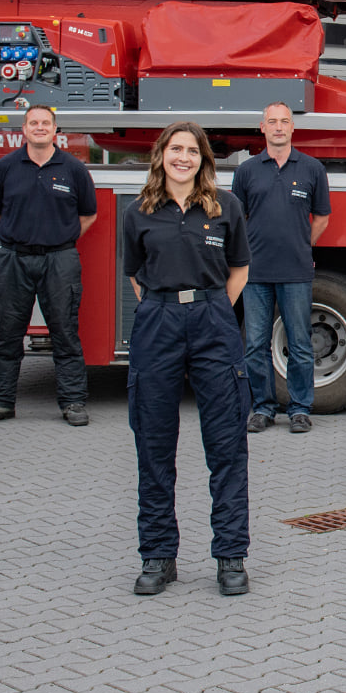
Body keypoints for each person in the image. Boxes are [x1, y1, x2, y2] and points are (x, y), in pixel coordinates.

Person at [120, 122, 252, 597]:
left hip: (213, 321)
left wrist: (210, 307)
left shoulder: (225, 207)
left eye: (192, 151)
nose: (183, 158)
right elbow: (135, 274)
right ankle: (158, 556)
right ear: (161, 155)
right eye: (175, 149)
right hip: (157, 321)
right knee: (154, 444)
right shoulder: (139, 212)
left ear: (203, 159)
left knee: (226, 444)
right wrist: (166, 307)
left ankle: (231, 556)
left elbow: (240, 268)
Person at [0, 105, 97, 427]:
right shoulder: (7, 167)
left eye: (45, 123)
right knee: (7, 333)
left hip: (60, 259)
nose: (39, 127)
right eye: (33, 123)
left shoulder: (74, 169)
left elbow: (88, 215)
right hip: (14, 257)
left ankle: (72, 402)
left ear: (56, 130)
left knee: (65, 332)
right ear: (23, 129)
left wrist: (60, 239)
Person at [232, 102, 331, 435]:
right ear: (262, 128)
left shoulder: (312, 168)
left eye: (284, 121)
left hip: (296, 270)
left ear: (292, 128)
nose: (278, 127)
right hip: (255, 272)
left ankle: (300, 409)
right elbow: (238, 220)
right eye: (271, 122)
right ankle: (262, 408)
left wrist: (303, 245)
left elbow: (321, 218)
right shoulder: (246, 171)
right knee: (255, 344)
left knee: (301, 344)